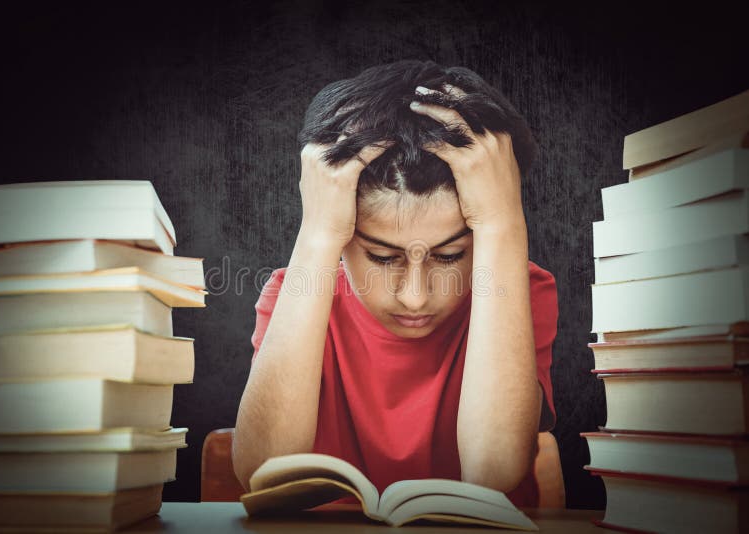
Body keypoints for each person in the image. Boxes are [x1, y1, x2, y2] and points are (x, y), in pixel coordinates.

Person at [232, 60, 558, 507]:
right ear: (343, 237)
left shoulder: (521, 289)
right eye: (383, 257)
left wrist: (503, 222)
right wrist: (316, 235)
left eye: (450, 255)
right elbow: (261, 471)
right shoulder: (295, 293)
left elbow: (493, 471)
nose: (414, 296)